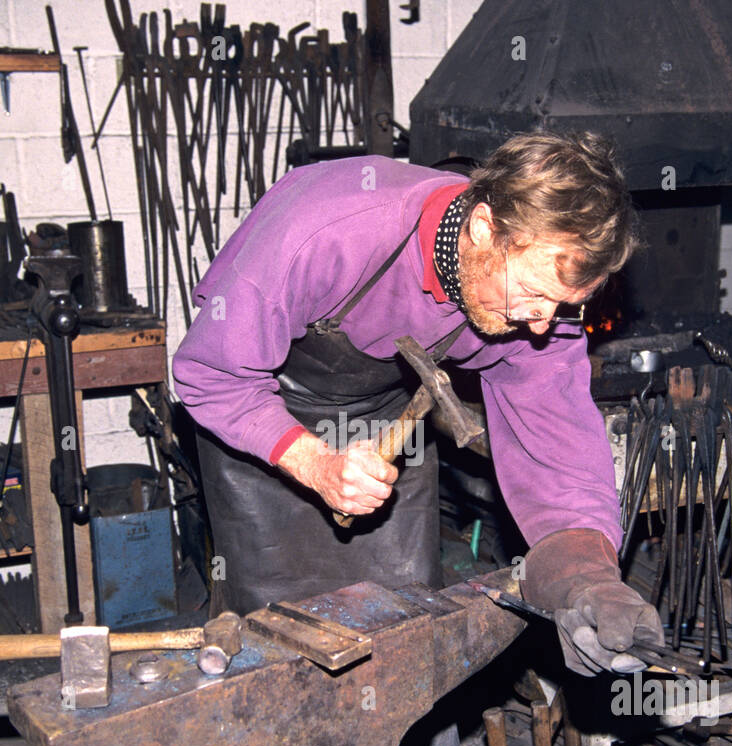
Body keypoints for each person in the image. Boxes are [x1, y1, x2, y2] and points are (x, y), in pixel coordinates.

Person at [173, 131, 662, 676]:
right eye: (534, 294)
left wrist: (587, 580)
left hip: (386, 417)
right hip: (264, 420)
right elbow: (210, 373)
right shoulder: (328, 228)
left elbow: (560, 456)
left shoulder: (536, 314)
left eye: (563, 304)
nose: (543, 323)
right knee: (276, 651)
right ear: (483, 229)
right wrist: (315, 462)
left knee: (402, 640)